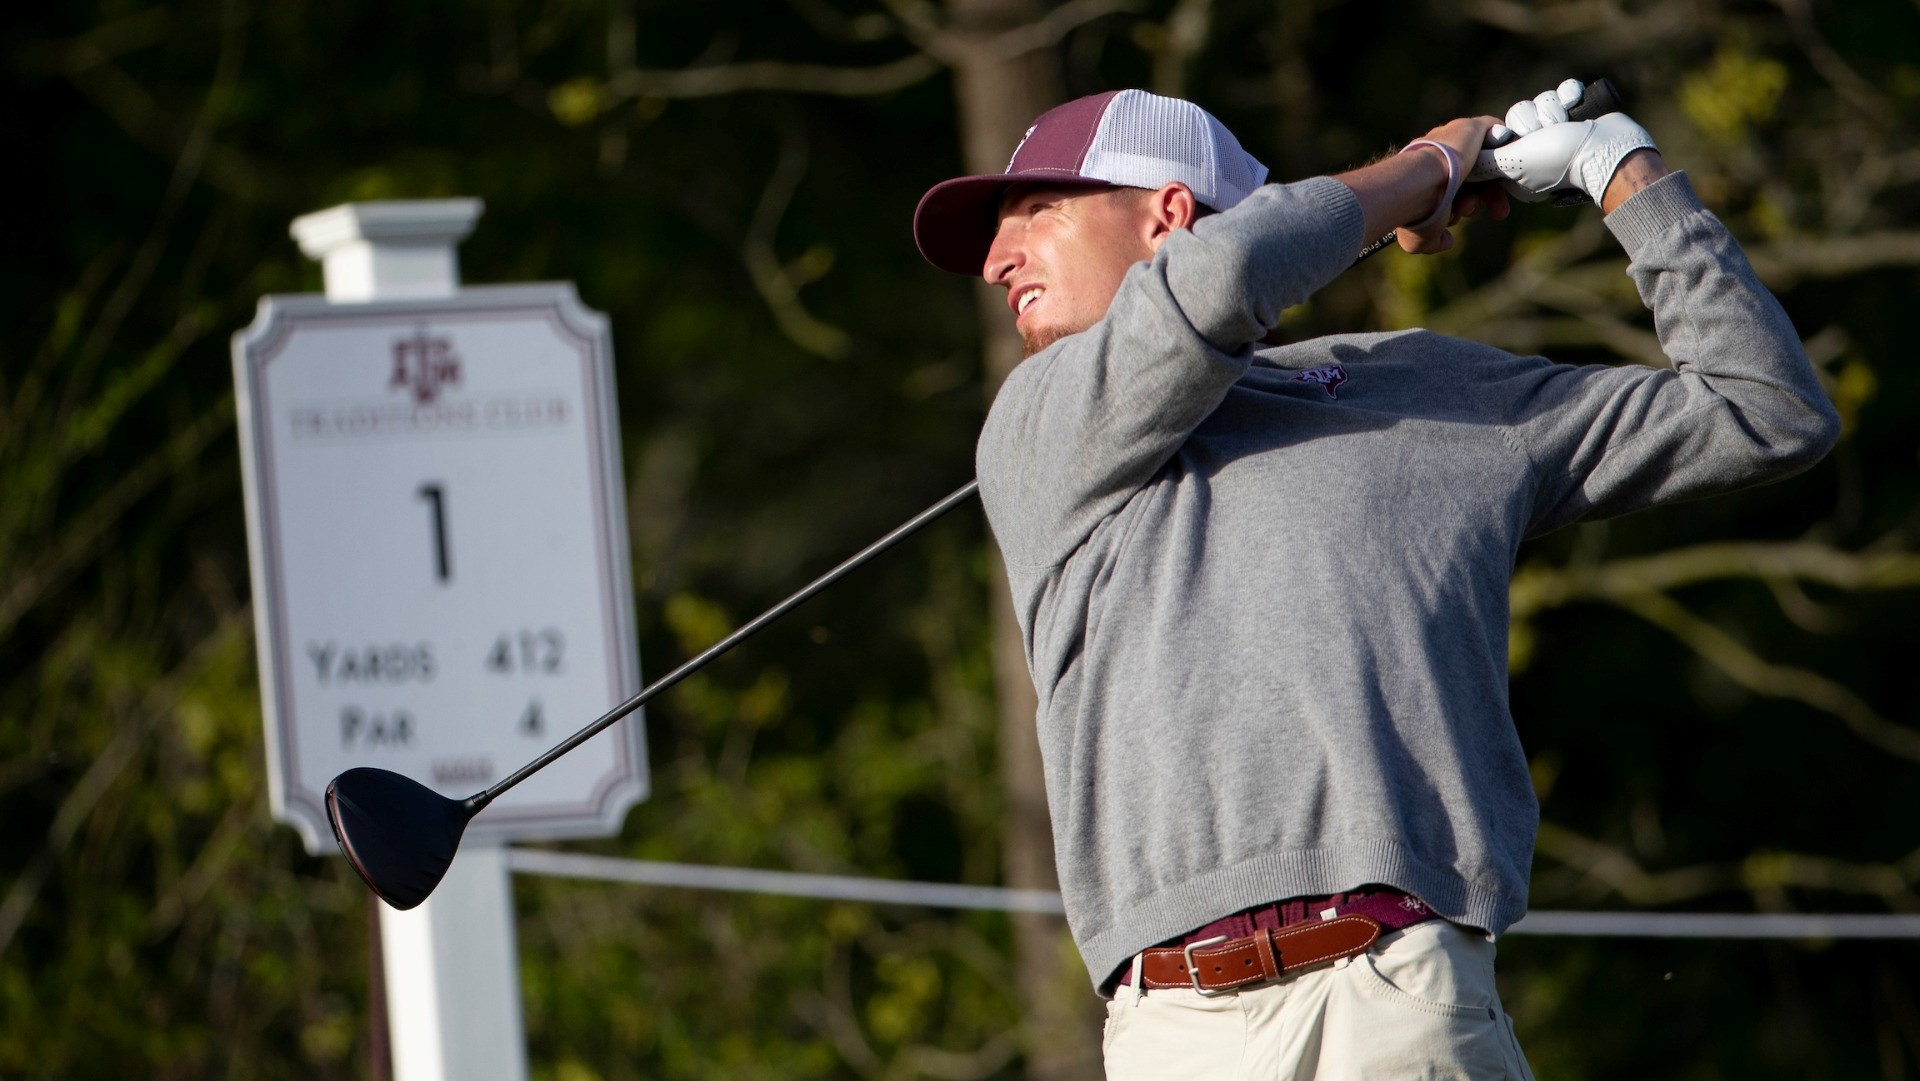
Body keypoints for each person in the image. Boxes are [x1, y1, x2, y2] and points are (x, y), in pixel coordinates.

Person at [910, 82, 1839, 1078]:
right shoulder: (1039, 422)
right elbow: (1221, 279)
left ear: (1166, 214)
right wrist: (1431, 169)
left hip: (1397, 998)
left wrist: (1621, 172)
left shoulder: (1422, 388)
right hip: (1172, 1032)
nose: (999, 261)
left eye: (1037, 214)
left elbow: (1765, 407)